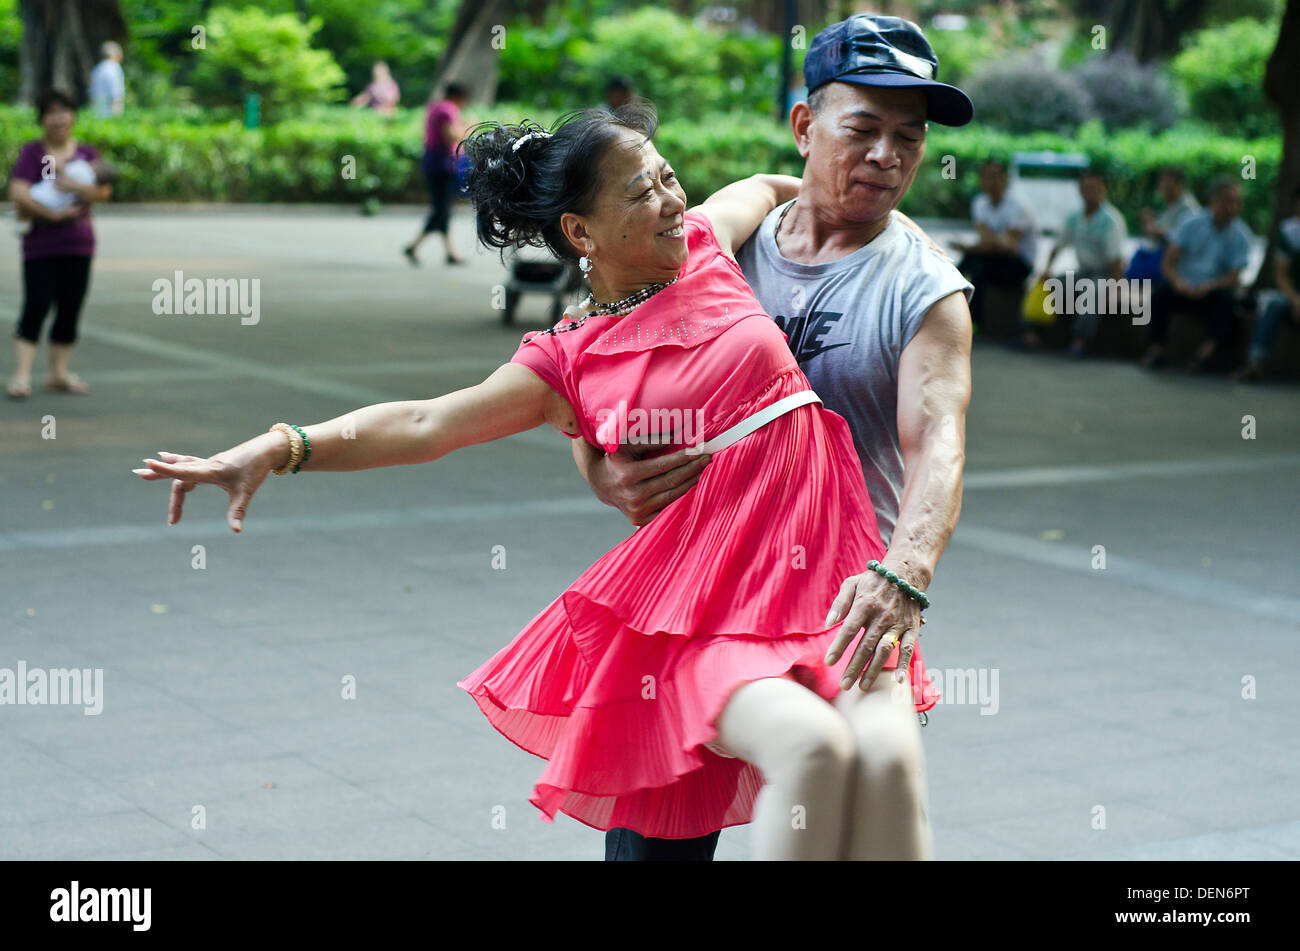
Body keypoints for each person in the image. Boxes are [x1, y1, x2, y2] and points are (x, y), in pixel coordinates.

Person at [133, 100, 944, 861]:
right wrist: (279, 446)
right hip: (701, 613)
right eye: (642, 192)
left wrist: (896, 236)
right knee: (813, 748)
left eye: (667, 176)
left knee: (887, 763)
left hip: (832, 569)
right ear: (579, 231)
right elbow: (423, 424)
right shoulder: (565, 358)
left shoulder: (704, 245)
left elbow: (777, 186)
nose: (669, 197)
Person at [574, 14, 974, 861]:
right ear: (804, 125)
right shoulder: (726, 243)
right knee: (650, 848)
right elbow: (596, 350)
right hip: (696, 600)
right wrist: (598, 464)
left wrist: (905, 575)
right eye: (863, 130)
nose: (887, 156)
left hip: (836, 598)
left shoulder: (927, 290)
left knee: (863, 790)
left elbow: (940, 441)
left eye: (909, 138)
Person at [6, 91, 113, 400]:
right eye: (52, 112)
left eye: (64, 111)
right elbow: (18, 192)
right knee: (36, 304)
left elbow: (103, 192)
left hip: (79, 244)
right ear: (42, 118)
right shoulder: (32, 153)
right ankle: (22, 374)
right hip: (40, 245)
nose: (59, 118)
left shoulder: (87, 155)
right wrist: (52, 214)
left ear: (73, 116)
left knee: (70, 306)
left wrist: (74, 185)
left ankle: (58, 372)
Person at [1141, 178, 1251, 372]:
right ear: (1213, 201)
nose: (1230, 207)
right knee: (1159, 295)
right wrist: (1178, 282)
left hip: (1212, 290)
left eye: (1236, 202)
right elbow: (1168, 261)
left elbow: (1235, 276)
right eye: (1226, 201)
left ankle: (1205, 354)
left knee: (1228, 302)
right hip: (1184, 285)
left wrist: (1211, 286)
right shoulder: (1192, 223)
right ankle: (1155, 349)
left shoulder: (1241, 234)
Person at [1025, 170, 1127, 357]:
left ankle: (1080, 340)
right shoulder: (1074, 218)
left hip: (1104, 274)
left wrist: (1116, 286)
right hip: (1083, 270)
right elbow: (1058, 246)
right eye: (1086, 188)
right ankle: (1032, 333)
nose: (1091, 192)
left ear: (1103, 190)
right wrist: (1048, 270)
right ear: (1080, 191)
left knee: (1093, 290)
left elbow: (1116, 260)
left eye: (1095, 188)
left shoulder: (1111, 220)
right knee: (1050, 283)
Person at [952, 159, 1037, 330]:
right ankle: (957, 313)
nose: (991, 182)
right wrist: (997, 240)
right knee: (970, 262)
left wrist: (972, 246)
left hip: (1020, 263)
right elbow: (989, 241)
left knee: (977, 265)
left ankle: (972, 321)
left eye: (995, 177)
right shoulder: (980, 203)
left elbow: (1009, 247)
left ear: (1005, 179)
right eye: (987, 177)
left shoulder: (1019, 206)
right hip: (994, 257)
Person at [1232, 185, 1300, 382]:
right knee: (1273, 304)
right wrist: (1296, 300)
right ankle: (1255, 363)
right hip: (1292, 296)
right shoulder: (1290, 232)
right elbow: (1281, 275)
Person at [403, 82, 470, 266]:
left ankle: (450, 252)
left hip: (434, 164)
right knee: (441, 210)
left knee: (443, 210)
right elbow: (450, 136)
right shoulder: (448, 110)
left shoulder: (435, 108)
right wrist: (469, 128)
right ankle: (414, 246)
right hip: (443, 166)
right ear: (459, 97)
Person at [18, 158, 117, 233]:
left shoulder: (82, 166)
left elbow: (62, 179)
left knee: (35, 199)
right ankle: (24, 217)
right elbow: (62, 184)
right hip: (51, 198)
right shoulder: (87, 176)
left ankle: (24, 218)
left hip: (47, 194)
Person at [88, 42, 125, 118]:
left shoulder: (97, 68)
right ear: (116, 54)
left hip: (96, 112)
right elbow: (116, 94)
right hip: (109, 114)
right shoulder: (114, 68)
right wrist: (118, 116)